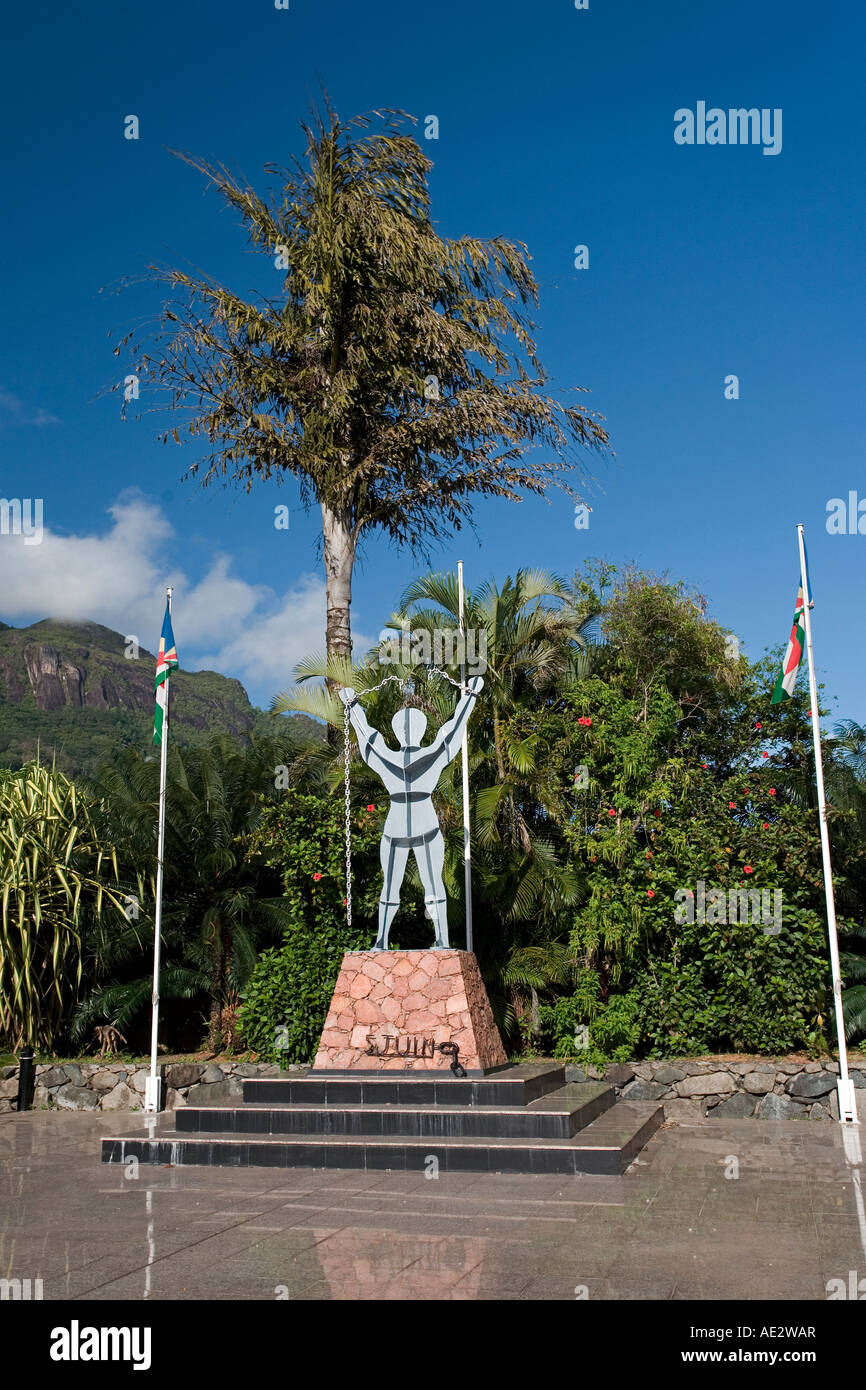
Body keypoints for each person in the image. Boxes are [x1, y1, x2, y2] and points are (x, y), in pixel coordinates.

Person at [339, 676, 484, 949]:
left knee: (405, 886)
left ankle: (391, 940)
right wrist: (470, 698)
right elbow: (452, 732)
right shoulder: (432, 755)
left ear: (397, 733)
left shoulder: (387, 757)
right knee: (424, 885)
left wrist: (353, 707)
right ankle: (406, 939)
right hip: (420, 822)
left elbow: (368, 737)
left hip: (400, 824)